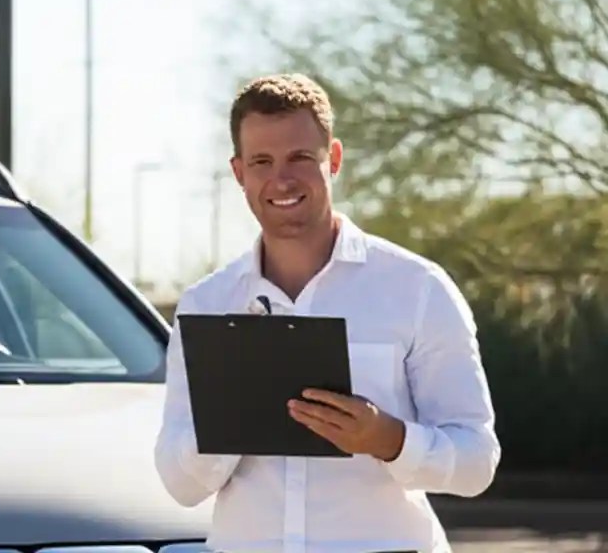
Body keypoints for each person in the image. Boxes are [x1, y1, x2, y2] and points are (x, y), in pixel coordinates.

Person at [153, 73, 500, 553]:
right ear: (239, 173)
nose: (282, 179)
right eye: (261, 161)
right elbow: (179, 483)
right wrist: (234, 410)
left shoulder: (418, 289)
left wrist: (388, 439)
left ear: (332, 159)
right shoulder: (206, 305)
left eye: (299, 157)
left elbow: (477, 462)